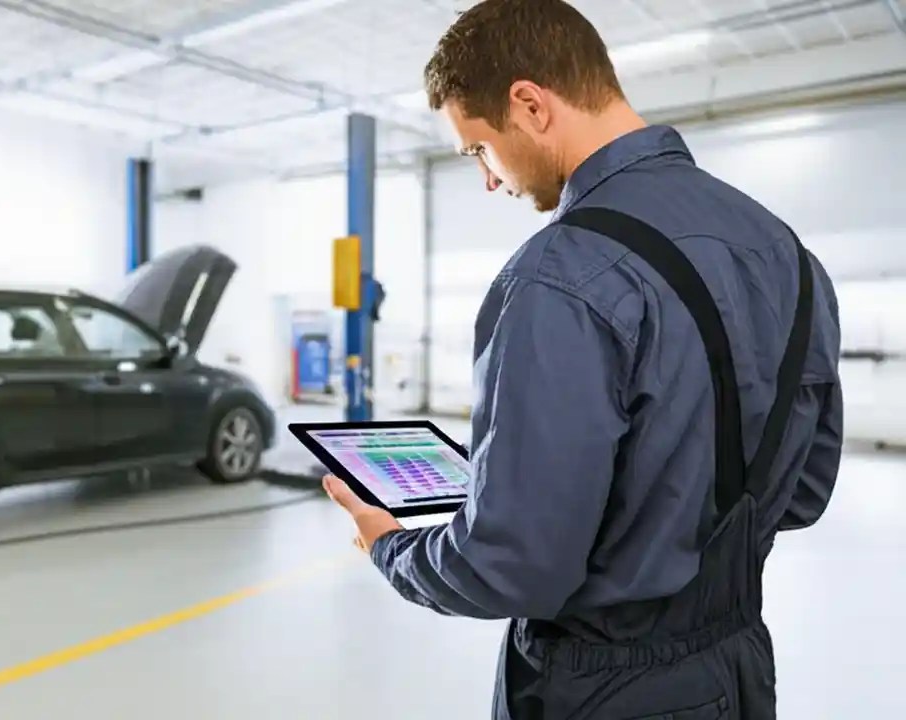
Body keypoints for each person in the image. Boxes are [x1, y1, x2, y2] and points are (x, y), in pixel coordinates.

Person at [321, 1, 843, 718]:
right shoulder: (788, 254)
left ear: (530, 105)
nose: (489, 179)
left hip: (601, 691)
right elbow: (805, 492)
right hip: (739, 670)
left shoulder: (560, 275)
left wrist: (392, 549)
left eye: (477, 150)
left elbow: (512, 566)